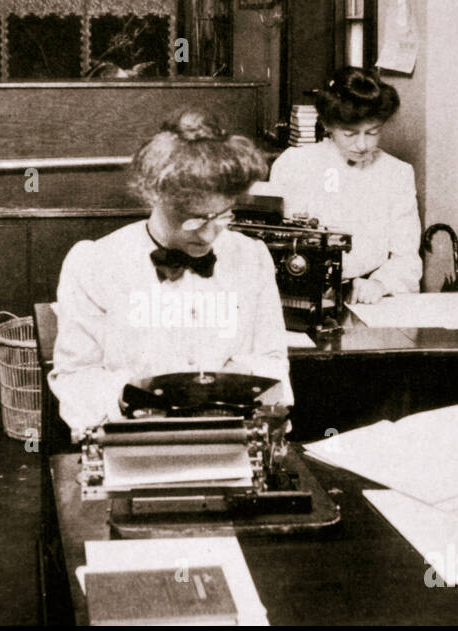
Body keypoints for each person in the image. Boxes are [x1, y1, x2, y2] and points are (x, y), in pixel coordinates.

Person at [49, 108, 291, 434]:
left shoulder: (252, 257)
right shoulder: (94, 264)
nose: (208, 236)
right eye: (194, 219)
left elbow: (271, 359)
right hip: (134, 439)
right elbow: (77, 375)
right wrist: (133, 402)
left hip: (230, 438)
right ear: (155, 194)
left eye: (221, 216)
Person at [269, 67, 422, 302]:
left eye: (372, 132)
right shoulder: (294, 164)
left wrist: (380, 284)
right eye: (349, 134)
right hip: (298, 291)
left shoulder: (396, 174)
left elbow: (406, 257)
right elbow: (273, 243)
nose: (362, 145)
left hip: (366, 296)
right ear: (328, 125)